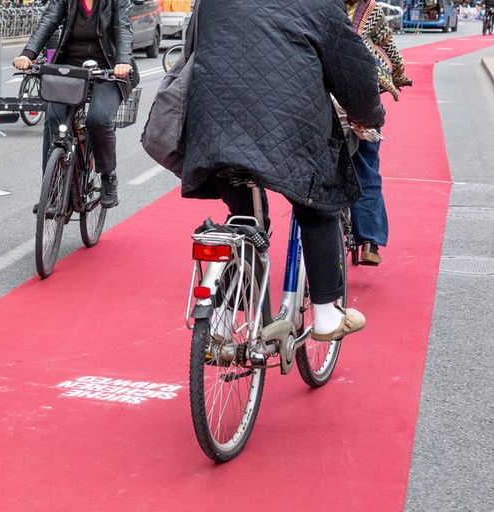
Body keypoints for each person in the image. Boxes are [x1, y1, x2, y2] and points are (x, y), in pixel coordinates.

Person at [177, 0, 385, 341]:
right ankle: (326, 314)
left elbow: (193, 50)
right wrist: (369, 116)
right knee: (317, 207)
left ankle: (222, 321)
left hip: (212, 124)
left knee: (244, 216)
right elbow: (354, 73)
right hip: (289, 129)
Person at [14, 0, 139, 208]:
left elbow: (123, 28)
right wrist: (28, 54)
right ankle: (52, 189)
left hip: (107, 69)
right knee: (53, 118)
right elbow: (48, 21)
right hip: (70, 67)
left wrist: (123, 62)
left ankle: (108, 176)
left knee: (98, 118)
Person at [346, 0, 412, 266]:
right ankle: (370, 241)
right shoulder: (370, 9)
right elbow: (392, 53)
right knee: (366, 168)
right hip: (362, 100)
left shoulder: (317, 8)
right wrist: (399, 76)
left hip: (322, 99)